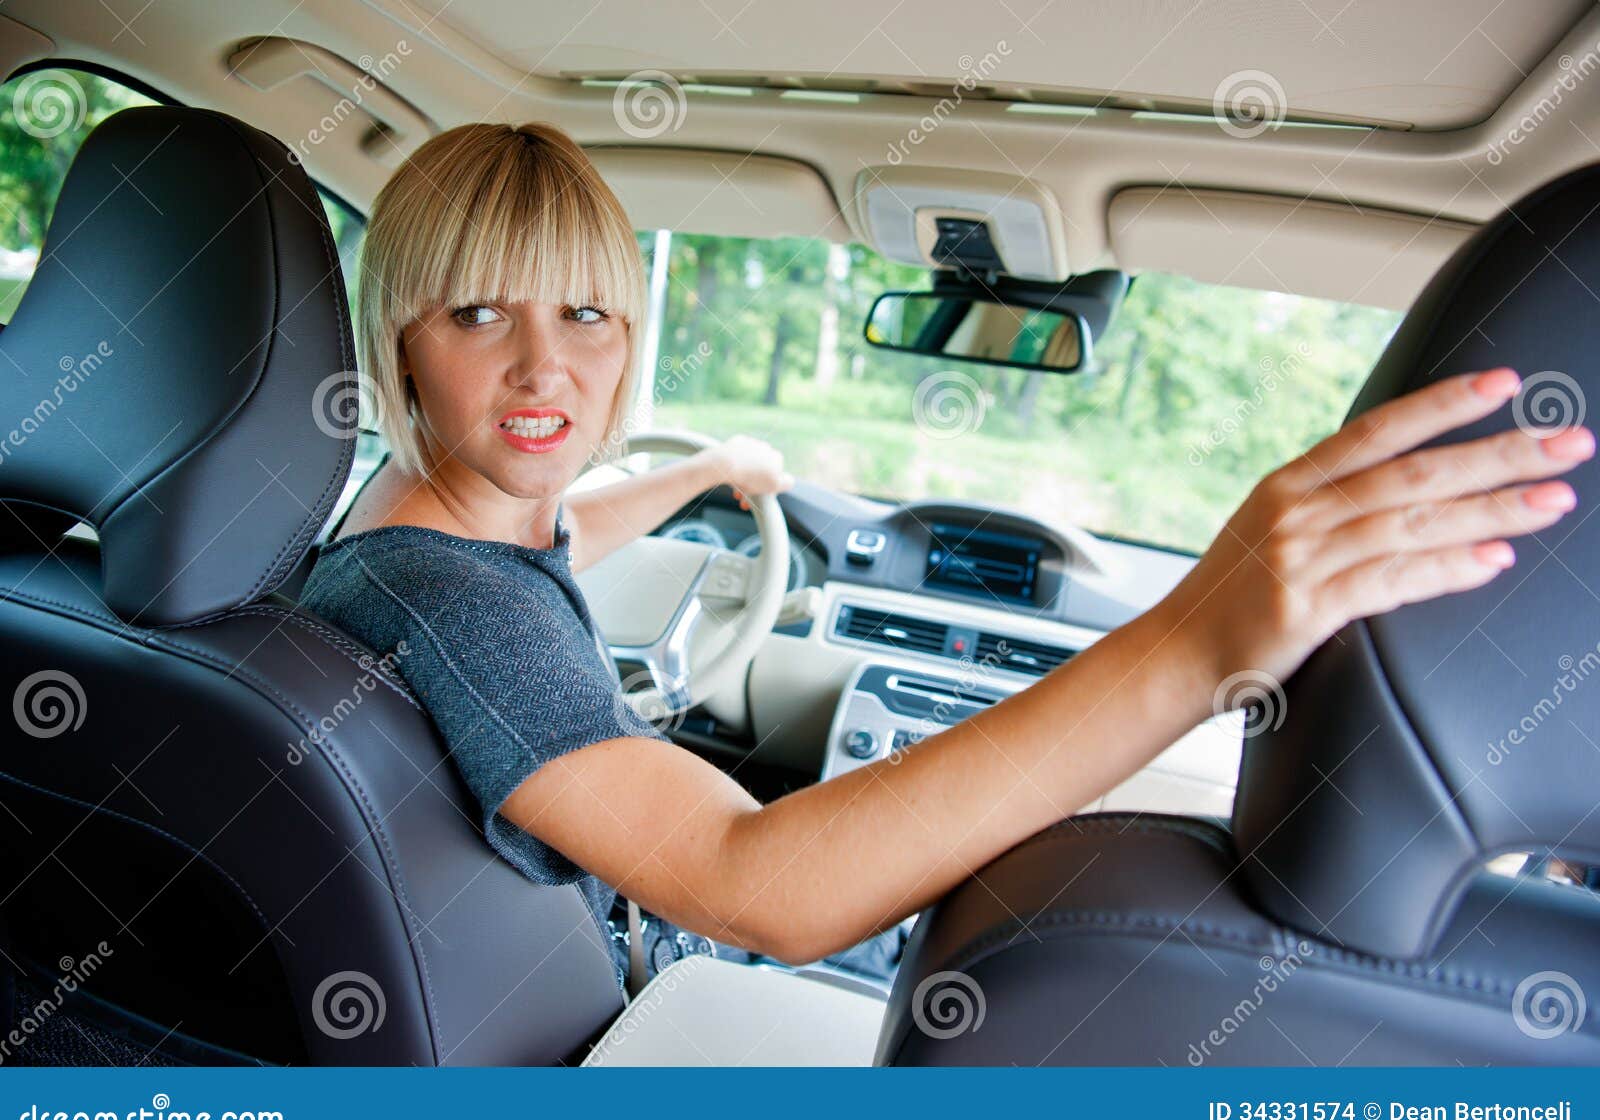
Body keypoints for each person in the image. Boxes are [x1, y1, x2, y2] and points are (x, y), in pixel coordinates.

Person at [299, 121, 1591, 992]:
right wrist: (1206, 631)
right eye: (479, 312)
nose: (544, 365)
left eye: (584, 311)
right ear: (401, 335)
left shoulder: (404, 524)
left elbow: (559, 528)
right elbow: (759, 886)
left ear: (629, 331)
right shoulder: (462, 611)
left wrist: (702, 477)